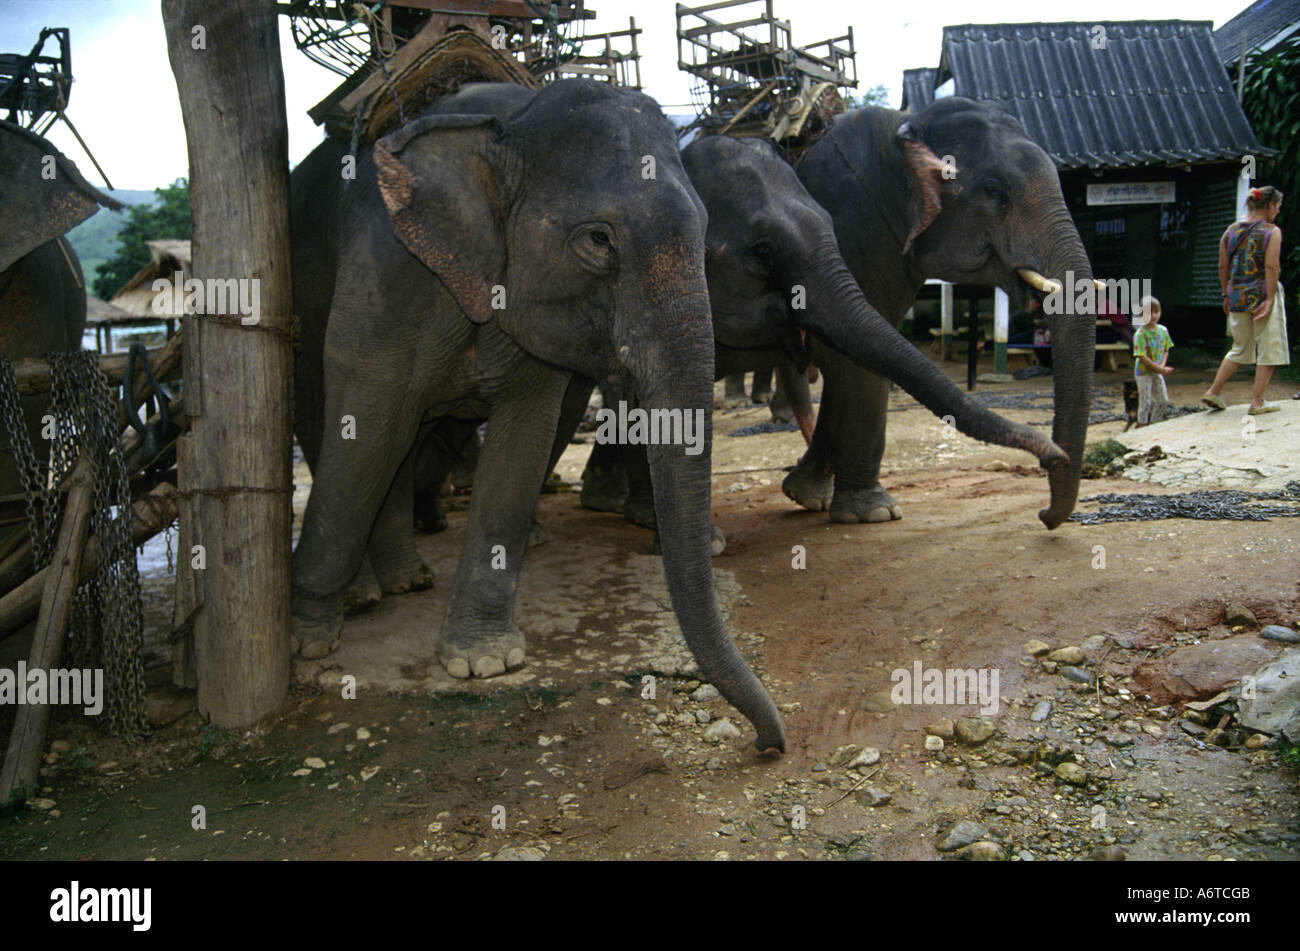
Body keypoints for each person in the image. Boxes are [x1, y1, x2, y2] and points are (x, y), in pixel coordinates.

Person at [1203, 186, 1288, 415]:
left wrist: (1225, 294)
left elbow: (1223, 266)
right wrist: (1269, 299)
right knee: (1269, 348)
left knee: (1240, 347)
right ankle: (1257, 402)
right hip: (1262, 296)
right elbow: (1272, 267)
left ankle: (1214, 391)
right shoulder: (1271, 231)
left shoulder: (1230, 231)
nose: (1278, 212)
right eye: (1278, 207)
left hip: (1237, 296)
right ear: (1270, 206)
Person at [1132, 295, 1173, 425]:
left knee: (1163, 400)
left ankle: (1155, 423)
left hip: (1157, 371)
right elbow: (1141, 356)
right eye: (1149, 313)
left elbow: (1166, 349)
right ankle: (1142, 425)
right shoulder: (1140, 334)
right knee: (1146, 401)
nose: (1153, 316)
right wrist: (1160, 369)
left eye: (1156, 312)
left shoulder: (1163, 331)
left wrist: (1162, 366)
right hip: (1143, 373)